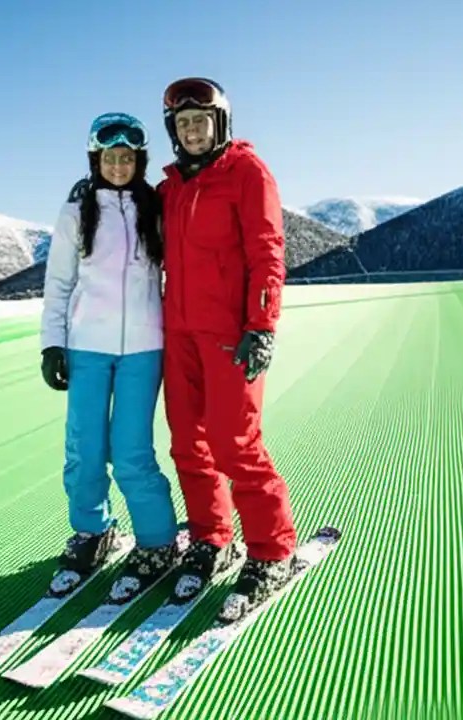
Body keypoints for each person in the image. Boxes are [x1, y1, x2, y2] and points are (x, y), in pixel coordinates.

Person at [155, 77, 299, 623]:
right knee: (187, 443)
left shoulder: (246, 172)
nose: (193, 132)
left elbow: (267, 250)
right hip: (179, 332)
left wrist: (261, 323)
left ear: (221, 125)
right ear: (175, 131)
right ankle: (211, 538)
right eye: (184, 124)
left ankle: (271, 549)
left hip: (230, 332)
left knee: (234, 442)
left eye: (201, 122)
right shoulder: (168, 190)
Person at [38, 112, 185, 603]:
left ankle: (157, 542)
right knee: (83, 451)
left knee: (131, 452)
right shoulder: (77, 212)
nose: (118, 165)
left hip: (145, 348)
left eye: (127, 157)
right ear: (95, 160)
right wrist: (51, 343)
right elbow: (59, 283)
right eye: (109, 157)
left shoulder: (156, 208)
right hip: (87, 348)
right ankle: (91, 532)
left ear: (139, 160)